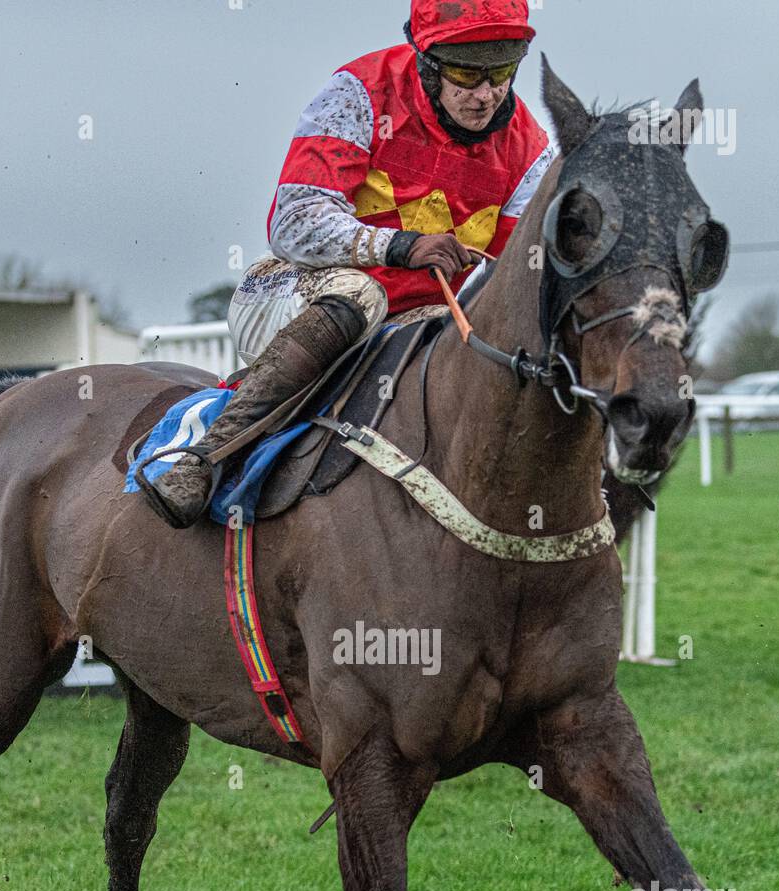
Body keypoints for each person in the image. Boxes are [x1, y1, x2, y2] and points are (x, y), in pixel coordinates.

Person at [148, 0, 553, 527]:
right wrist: (401, 248)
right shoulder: (358, 93)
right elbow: (293, 222)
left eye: (501, 72)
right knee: (365, 296)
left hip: (421, 325)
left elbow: (518, 275)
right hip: (298, 292)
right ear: (426, 61)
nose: (485, 93)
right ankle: (204, 459)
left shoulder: (531, 149)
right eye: (465, 73)